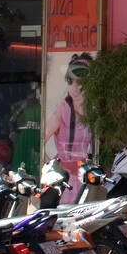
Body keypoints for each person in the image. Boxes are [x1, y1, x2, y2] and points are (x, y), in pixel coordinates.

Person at [43, 54, 94, 204]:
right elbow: (39, 142)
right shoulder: (63, 111)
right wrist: (51, 167)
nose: (76, 87)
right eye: (71, 82)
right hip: (66, 176)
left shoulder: (93, 111)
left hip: (86, 173)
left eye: (81, 82)